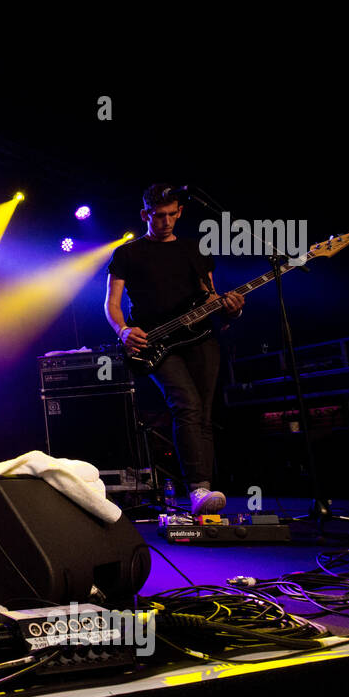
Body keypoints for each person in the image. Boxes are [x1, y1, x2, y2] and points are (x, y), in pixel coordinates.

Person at [104, 184, 244, 516]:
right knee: (187, 404)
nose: (165, 221)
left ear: (180, 211)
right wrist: (123, 330)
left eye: (171, 214)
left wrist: (233, 308)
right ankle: (196, 490)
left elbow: (210, 297)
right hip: (155, 342)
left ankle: (205, 490)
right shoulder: (127, 254)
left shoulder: (195, 250)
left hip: (200, 338)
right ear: (145, 215)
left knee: (204, 415)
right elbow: (111, 303)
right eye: (158, 215)